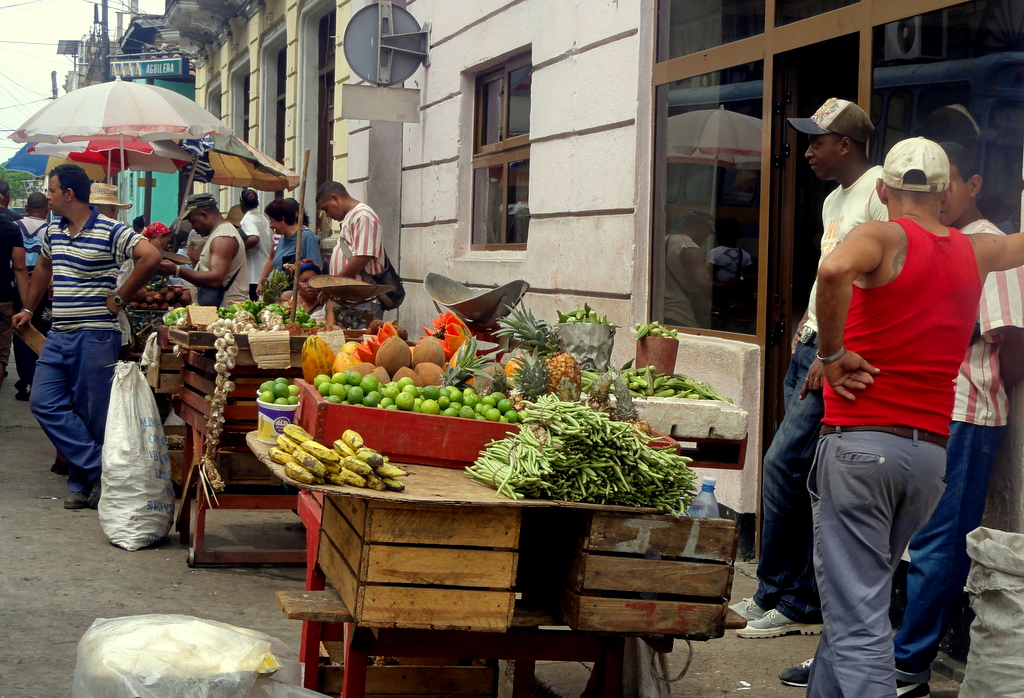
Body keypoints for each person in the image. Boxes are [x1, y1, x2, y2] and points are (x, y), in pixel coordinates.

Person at [805, 137, 1024, 698]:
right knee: (862, 599)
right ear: (945, 191)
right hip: (927, 456)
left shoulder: (879, 234)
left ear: (883, 188)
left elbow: (831, 272)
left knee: (856, 619)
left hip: (859, 448)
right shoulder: (974, 250)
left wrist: (829, 356)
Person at [731, 98, 888, 650]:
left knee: (782, 464)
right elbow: (829, 273)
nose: (808, 151)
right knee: (797, 472)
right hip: (810, 346)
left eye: (817, 141)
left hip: (835, 356)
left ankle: (791, 599)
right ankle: (777, 594)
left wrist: (836, 350)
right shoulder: (832, 201)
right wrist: (806, 325)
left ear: (845, 144)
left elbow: (880, 280)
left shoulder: (879, 191)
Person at [888, 133, 1024, 696]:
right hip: (923, 413)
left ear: (966, 186)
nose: (935, 197)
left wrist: (986, 386)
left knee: (939, 543)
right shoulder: (928, 239)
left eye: (942, 184)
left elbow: (1010, 338)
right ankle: (876, 658)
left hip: (967, 412)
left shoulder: (987, 245)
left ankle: (908, 670)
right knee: (907, 540)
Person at [12, 164, 161, 510]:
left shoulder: (111, 230)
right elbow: (44, 268)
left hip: (96, 335)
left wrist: (121, 297)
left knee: (92, 413)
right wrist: (29, 310)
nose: (46, 197)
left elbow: (150, 256)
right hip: (59, 334)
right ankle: (100, 469)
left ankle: (82, 483)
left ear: (69, 194)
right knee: (43, 402)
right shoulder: (52, 231)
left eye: (51, 191)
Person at [316, 181, 389, 326]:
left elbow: (362, 257)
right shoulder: (351, 217)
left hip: (363, 301)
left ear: (335, 198)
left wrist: (333, 285)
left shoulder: (363, 215)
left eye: (326, 208)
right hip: (350, 301)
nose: (328, 215)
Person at [157, 193, 248, 308]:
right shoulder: (218, 234)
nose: (193, 227)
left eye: (192, 222)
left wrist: (177, 270)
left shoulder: (223, 237)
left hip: (226, 312)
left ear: (204, 215)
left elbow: (215, 279)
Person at [12, 193, 50, 401]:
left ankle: (25, 379)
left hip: (18, 286)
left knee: (21, 331)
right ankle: (41, 379)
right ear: (47, 209)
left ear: (27, 208)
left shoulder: (15, 226)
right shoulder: (51, 230)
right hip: (44, 288)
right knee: (43, 330)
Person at [0, 179, 30, 395]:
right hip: (3, 297)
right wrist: (28, 306)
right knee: (1, 355)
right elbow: (20, 268)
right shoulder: (11, 228)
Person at [256, 197, 323, 294]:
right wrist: (261, 282)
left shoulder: (306, 237)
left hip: (298, 297)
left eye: (272, 221)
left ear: (282, 219)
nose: (270, 225)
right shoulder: (282, 239)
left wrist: (296, 268)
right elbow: (272, 258)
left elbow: (317, 267)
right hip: (281, 297)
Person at [663, 210, 714, 327]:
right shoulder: (689, 247)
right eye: (706, 235)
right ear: (700, 227)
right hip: (682, 316)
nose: (705, 240)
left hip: (661, 314)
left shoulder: (665, 240)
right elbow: (703, 287)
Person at [238, 189, 272, 301]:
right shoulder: (263, 219)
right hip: (266, 272)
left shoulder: (247, 219)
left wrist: (238, 250)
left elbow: (254, 238)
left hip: (254, 274)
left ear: (242, 204)